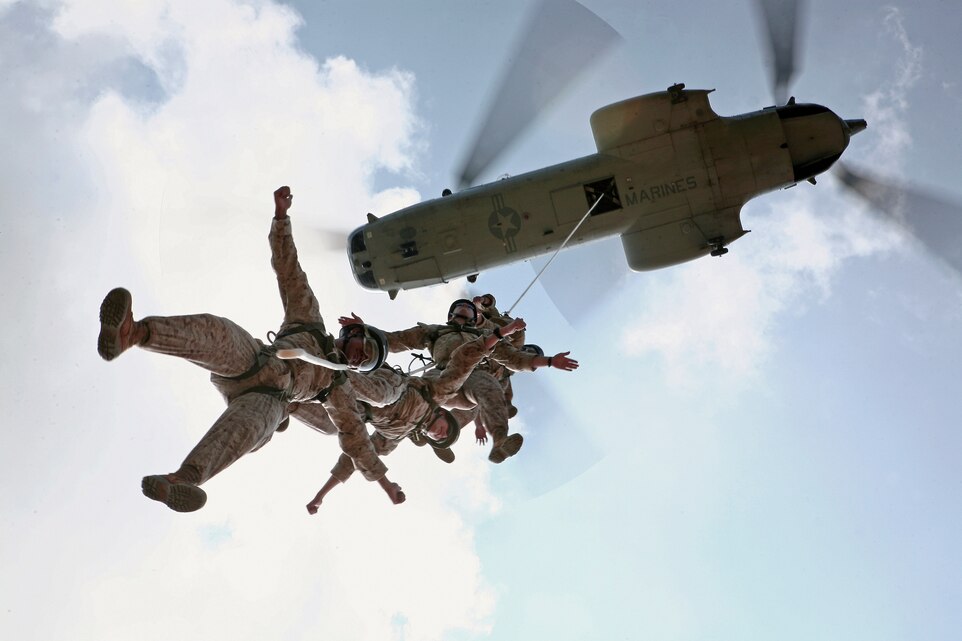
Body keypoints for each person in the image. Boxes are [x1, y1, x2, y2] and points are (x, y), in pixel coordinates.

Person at [97, 186, 403, 512]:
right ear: (354, 331)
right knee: (219, 331)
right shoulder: (308, 322)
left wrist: (385, 484)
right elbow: (289, 270)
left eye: (365, 363)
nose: (360, 358)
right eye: (365, 348)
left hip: (271, 399)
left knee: (251, 426)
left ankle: (181, 481)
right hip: (252, 362)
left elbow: (357, 441)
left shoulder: (337, 388)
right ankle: (132, 333)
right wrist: (281, 218)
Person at [292, 318, 526, 511]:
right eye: (446, 431)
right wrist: (500, 333)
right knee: (380, 395)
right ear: (443, 415)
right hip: (383, 385)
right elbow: (463, 363)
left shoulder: (395, 436)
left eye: (439, 439)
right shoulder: (434, 393)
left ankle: (287, 395)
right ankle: (329, 369)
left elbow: (353, 459)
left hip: (352, 403)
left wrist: (320, 496)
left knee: (331, 428)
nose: (441, 434)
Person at [347, 298, 578, 464]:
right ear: (451, 315)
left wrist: (549, 361)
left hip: (471, 377)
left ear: (475, 319)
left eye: (469, 308)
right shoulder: (435, 332)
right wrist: (364, 330)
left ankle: (500, 440)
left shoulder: (483, 337)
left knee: (487, 387)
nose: (465, 308)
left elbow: (515, 358)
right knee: (409, 400)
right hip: (440, 376)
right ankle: (396, 436)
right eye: (460, 307)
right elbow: (397, 340)